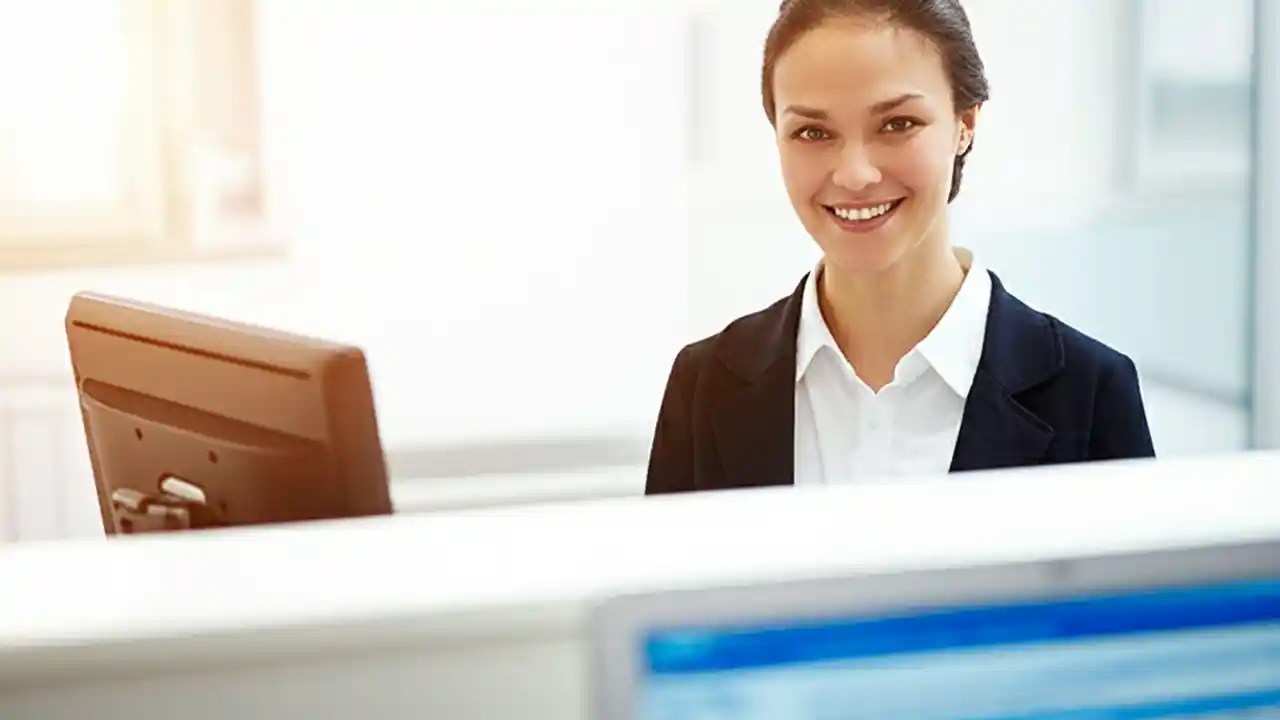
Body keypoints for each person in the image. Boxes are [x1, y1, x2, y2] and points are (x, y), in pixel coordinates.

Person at [646, 0, 1155, 495]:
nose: (855, 174)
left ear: (965, 123)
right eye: (812, 131)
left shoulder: (1090, 394)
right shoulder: (704, 385)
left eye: (897, 124)